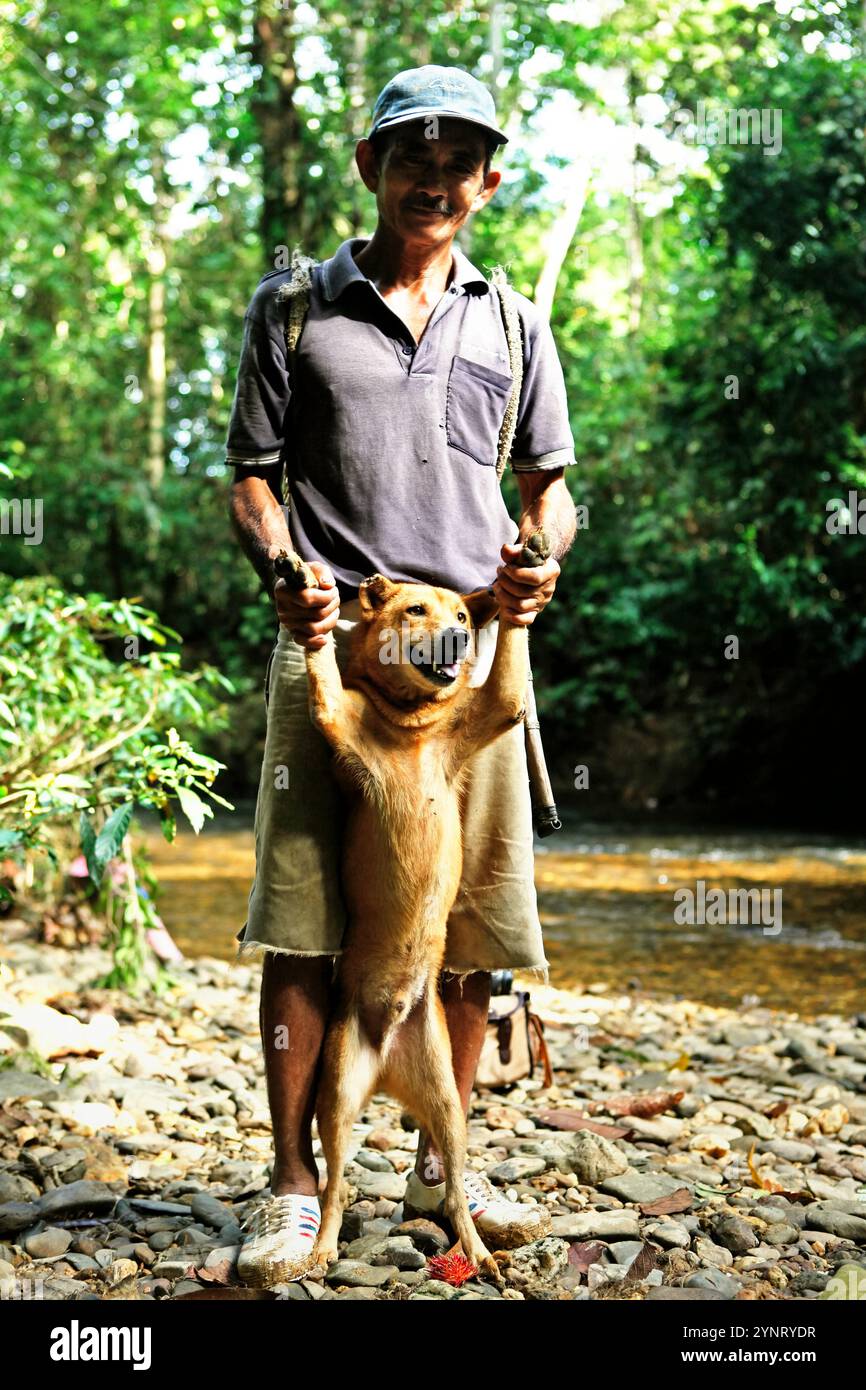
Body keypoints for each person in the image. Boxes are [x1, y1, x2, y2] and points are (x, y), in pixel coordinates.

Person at [226, 64, 578, 1286]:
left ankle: (443, 1171)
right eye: (410, 153)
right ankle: (289, 1184)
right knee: (303, 923)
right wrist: (285, 567)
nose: (433, 176)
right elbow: (252, 477)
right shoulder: (292, 306)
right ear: (369, 166)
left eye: (458, 158)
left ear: (487, 181)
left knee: (472, 925)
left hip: (463, 653)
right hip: (332, 638)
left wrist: (535, 567)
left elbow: (548, 493)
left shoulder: (514, 322)